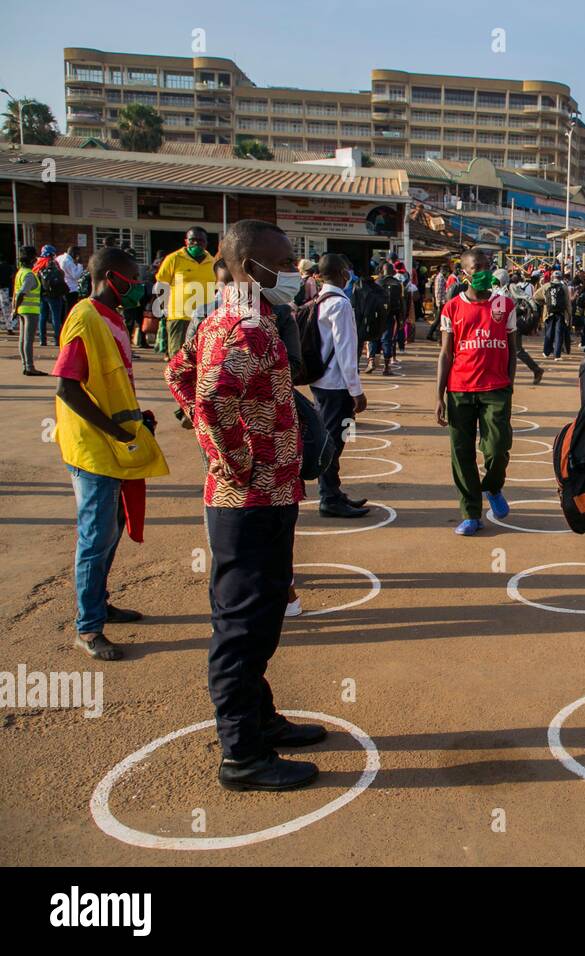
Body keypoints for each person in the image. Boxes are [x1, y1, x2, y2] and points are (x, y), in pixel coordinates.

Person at [165, 218, 323, 793]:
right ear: (250, 267)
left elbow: (179, 372)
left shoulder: (219, 319)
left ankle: (261, 719)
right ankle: (243, 755)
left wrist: (236, 456)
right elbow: (209, 400)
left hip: (265, 493)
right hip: (251, 498)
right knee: (243, 627)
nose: (292, 272)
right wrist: (235, 463)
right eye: (281, 262)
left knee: (259, 616)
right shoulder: (248, 328)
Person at [53, 245, 170, 661]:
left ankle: (99, 603)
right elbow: (67, 388)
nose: (138, 286)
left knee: (111, 529)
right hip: (94, 448)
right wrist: (116, 431)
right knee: (95, 536)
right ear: (110, 278)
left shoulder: (113, 318)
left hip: (116, 446)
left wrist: (134, 421)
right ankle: (88, 628)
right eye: (132, 280)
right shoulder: (85, 318)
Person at [435, 248, 518, 536]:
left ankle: (492, 486)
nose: (483, 271)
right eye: (476, 267)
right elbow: (446, 354)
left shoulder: (505, 305)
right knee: (461, 452)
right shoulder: (452, 308)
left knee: (497, 446)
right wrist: (439, 395)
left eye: (486, 266)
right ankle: (471, 513)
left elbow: (513, 350)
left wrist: (509, 384)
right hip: (460, 389)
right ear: (464, 273)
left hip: (496, 388)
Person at [311, 253, 370, 519]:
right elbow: (346, 351)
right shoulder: (340, 304)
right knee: (334, 442)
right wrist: (356, 391)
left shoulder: (320, 299)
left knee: (334, 438)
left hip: (322, 381)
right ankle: (329, 497)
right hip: (337, 385)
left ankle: (333, 491)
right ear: (342, 273)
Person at [154, 227, 217, 357]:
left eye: (201, 240)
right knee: (178, 357)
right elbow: (161, 285)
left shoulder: (213, 262)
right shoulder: (173, 258)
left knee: (203, 357)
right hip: (180, 317)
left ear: (206, 243)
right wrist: (165, 308)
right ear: (186, 241)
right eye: (192, 240)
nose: (196, 243)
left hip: (205, 318)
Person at [12, 245, 45, 375]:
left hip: (22, 309)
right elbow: (21, 293)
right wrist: (15, 309)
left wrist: (15, 309)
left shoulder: (20, 272)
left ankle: (25, 366)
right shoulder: (29, 275)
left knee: (23, 339)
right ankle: (30, 367)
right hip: (30, 310)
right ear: (32, 260)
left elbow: (16, 293)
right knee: (28, 340)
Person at [34, 243, 68, 348]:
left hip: (42, 294)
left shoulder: (38, 264)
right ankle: (57, 339)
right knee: (55, 317)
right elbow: (62, 275)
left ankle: (42, 340)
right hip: (54, 294)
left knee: (42, 317)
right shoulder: (53, 263)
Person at [375, 263, 406, 376]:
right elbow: (401, 302)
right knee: (387, 339)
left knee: (375, 338)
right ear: (392, 272)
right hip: (391, 315)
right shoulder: (397, 284)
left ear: (382, 271)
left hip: (378, 315)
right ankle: (386, 366)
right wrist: (401, 318)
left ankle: (372, 361)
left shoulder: (377, 282)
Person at [538, 270, 571, 359]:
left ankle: (546, 352)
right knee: (558, 334)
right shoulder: (564, 287)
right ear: (561, 278)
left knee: (548, 333)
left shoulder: (546, 286)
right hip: (561, 313)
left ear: (552, 277)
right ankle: (557, 355)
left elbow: (535, 296)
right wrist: (569, 314)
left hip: (548, 313)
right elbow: (567, 302)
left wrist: (545, 303)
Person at [57, 244, 86, 309]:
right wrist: (80, 264)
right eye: (78, 254)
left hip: (63, 287)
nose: (79, 256)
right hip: (71, 289)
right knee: (71, 308)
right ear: (74, 254)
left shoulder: (60, 257)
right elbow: (76, 276)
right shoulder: (68, 262)